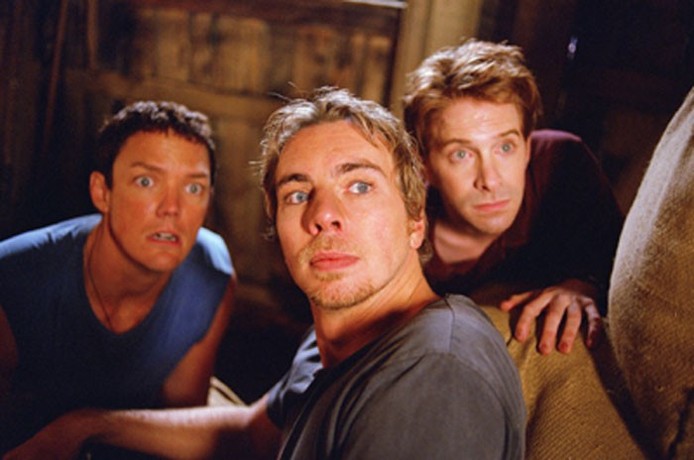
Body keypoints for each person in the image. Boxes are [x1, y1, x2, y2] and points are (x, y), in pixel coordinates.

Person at [4, 87, 526, 460]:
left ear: (416, 221)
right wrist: (87, 425)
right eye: (298, 194)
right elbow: (254, 432)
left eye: (360, 186)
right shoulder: (331, 339)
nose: (324, 214)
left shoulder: (432, 376)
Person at [0, 101, 236, 455]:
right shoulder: (16, 278)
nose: (172, 208)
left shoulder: (210, 275)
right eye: (146, 181)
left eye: (193, 189)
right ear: (102, 192)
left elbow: (179, 421)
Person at [402, 38, 624, 355]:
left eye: (505, 147)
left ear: (527, 148)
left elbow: (618, 259)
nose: (490, 180)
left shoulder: (561, 164)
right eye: (461, 154)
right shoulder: (401, 234)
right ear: (424, 166)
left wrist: (583, 284)